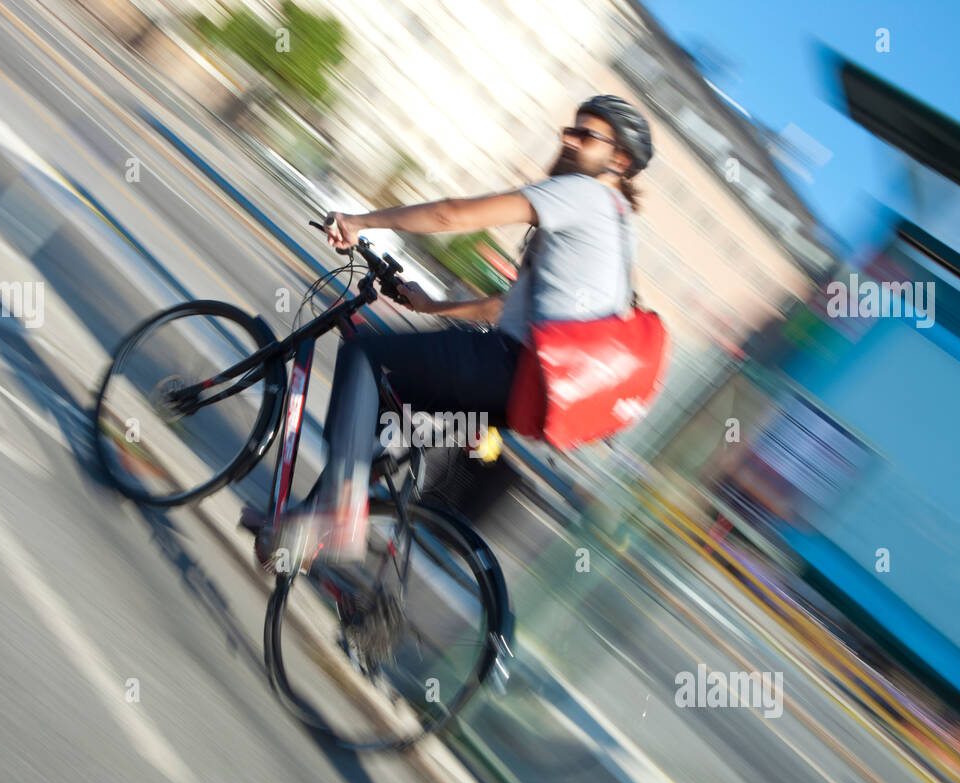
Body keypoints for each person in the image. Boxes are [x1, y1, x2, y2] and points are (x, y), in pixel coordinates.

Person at [244, 95, 654, 572]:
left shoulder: (584, 194)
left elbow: (452, 215)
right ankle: (300, 535)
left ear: (619, 160)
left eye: (585, 136)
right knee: (389, 419)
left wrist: (358, 221)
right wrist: (434, 305)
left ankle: (340, 515)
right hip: (526, 397)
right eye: (571, 130)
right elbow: (510, 305)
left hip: (509, 367)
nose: (569, 140)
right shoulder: (621, 231)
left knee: (366, 356)